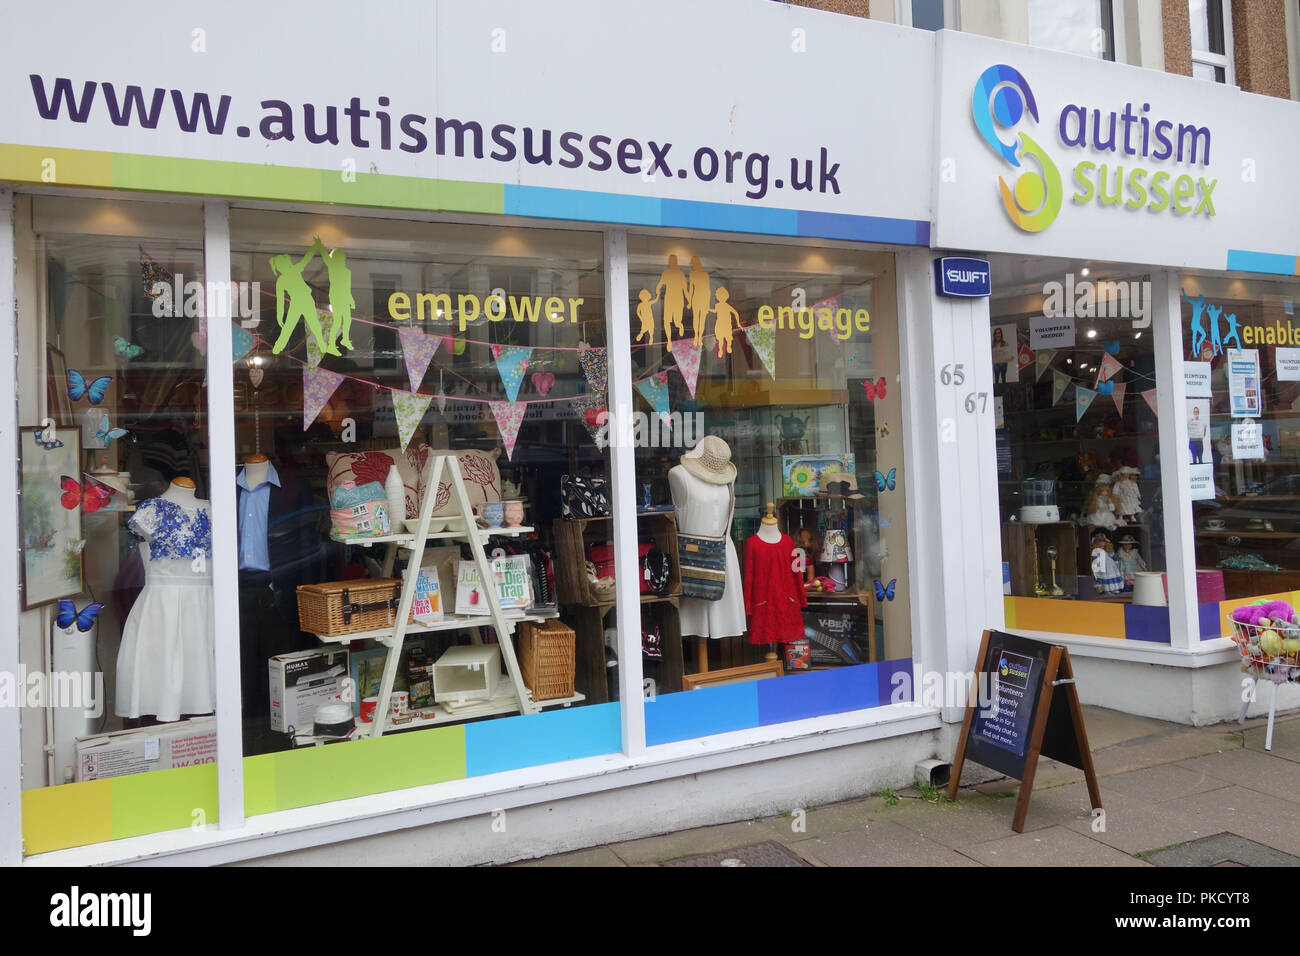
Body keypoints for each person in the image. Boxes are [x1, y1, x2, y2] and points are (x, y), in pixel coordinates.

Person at [270, 246, 328, 355]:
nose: (280, 268)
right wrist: (279, 315)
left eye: (281, 265)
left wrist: (314, 247)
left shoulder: (294, 270)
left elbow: (306, 259)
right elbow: (280, 300)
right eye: (278, 266)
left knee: (313, 323)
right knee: (289, 326)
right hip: (296, 303)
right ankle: (279, 346)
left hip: (306, 300)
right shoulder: (281, 280)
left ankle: (321, 343)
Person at [655, 254, 689, 351]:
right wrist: (657, 290)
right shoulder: (666, 273)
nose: (672, 263)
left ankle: (680, 326)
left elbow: (685, 289)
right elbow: (660, 284)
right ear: (669, 262)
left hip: (678, 299)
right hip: (669, 299)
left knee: (677, 322)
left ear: (676, 262)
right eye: (671, 261)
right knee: (666, 321)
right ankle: (669, 341)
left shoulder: (680, 274)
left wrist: (689, 301)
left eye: (674, 261)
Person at [686, 255, 712, 347]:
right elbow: (691, 289)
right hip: (696, 298)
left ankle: (700, 336)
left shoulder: (705, 275)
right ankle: (696, 336)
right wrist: (689, 301)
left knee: (702, 319)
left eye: (693, 264)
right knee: (696, 318)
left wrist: (708, 303)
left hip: (703, 298)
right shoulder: (692, 274)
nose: (693, 266)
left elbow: (708, 289)